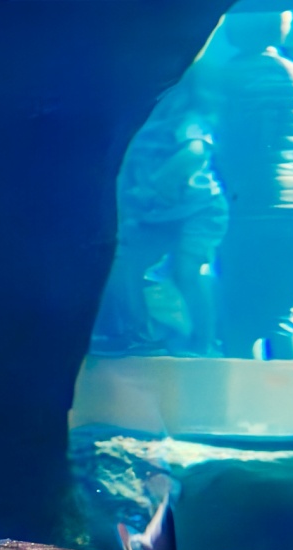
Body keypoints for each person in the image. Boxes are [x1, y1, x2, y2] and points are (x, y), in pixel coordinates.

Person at [205, 9, 293, 360]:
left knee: (240, 314)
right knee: (285, 313)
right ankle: (292, 409)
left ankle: (246, 409)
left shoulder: (229, 76)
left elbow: (230, 144)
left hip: (257, 204)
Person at [90, 85, 227, 357]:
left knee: (189, 270)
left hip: (197, 210)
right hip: (151, 214)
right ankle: (138, 334)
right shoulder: (136, 123)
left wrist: (158, 182)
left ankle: (204, 343)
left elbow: (195, 152)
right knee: (123, 263)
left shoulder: (189, 120)